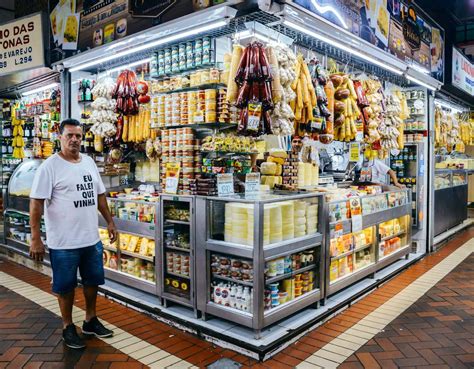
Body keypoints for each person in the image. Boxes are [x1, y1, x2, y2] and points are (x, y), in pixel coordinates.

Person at [29, 118, 117, 349]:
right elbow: (36, 203)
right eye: (70, 135)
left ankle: (90, 320)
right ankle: (68, 326)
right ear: (60, 137)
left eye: (78, 135)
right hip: (64, 242)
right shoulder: (50, 166)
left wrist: (110, 222)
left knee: (92, 282)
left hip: (91, 239)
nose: (75, 140)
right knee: (65, 286)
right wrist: (35, 237)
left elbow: (99, 195)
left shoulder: (88, 162)